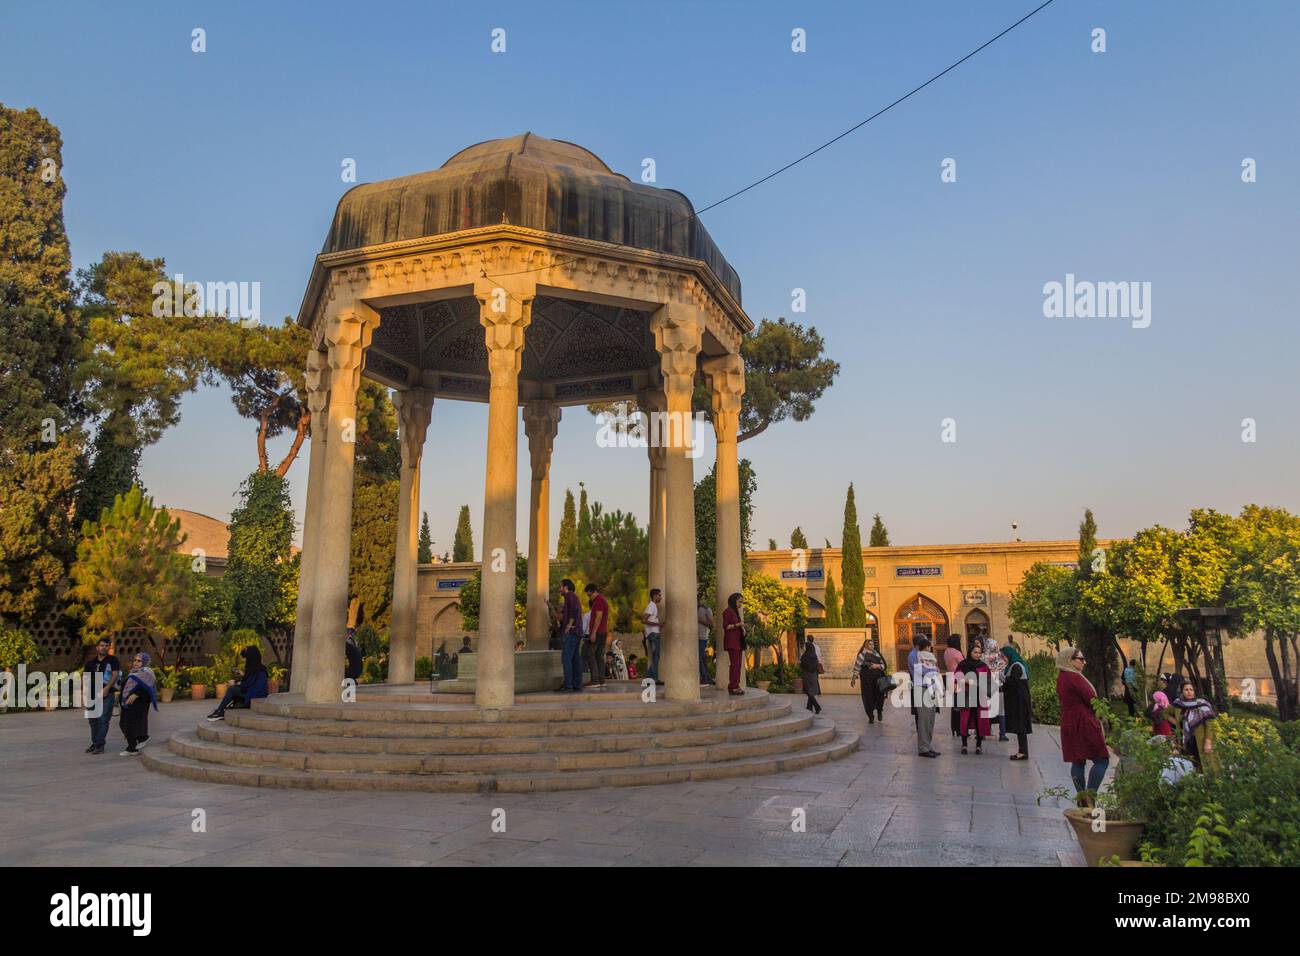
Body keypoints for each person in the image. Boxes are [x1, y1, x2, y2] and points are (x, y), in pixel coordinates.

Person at [1056, 646, 1109, 796]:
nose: (1084, 662)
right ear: (1069, 660)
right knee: (1102, 760)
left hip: (1070, 723)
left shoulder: (1062, 677)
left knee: (1078, 761)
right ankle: (1090, 797)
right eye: (1080, 659)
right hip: (1084, 723)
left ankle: (1082, 798)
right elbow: (1092, 699)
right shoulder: (1074, 677)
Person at [206, 645, 269, 721]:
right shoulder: (256, 668)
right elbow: (249, 681)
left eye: (246, 658)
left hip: (254, 695)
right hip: (252, 692)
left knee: (232, 689)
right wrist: (242, 677)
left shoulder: (258, 670)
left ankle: (220, 711)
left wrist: (236, 684)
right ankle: (221, 710)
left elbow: (252, 685)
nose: (245, 660)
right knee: (234, 689)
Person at [1170, 678, 1218, 772]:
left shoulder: (1202, 705)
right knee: (1189, 764)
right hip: (1185, 740)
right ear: (1182, 691)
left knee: (1205, 765)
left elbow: (1209, 725)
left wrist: (1208, 741)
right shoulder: (1178, 704)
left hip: (1200, 739)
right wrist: (1173, 720)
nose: (1189, 692)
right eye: (1186, 690)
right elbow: (1164, 712)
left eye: (1191, 690)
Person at [118, 652, 158, 756]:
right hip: (128, 703)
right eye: (135, 660)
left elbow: (148, 689)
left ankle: (140, 740)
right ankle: (133, 746)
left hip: (139, 704)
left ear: (144, 662)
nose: (135, 662)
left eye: (139, 661)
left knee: (134, 724)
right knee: (124, 724)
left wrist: (136, 694)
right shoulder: (133, 672)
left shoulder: (147, 673)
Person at [84, 638, 119, 755]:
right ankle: (95, 743)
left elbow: (115, 675)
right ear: (97, 647)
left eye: (106, 646)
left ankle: (100, 745)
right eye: (102, 645)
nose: (104, 647)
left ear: (108, 648)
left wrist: (107, 688)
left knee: (103, 720)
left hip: (106, 694)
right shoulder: (90, 663)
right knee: (93, 721)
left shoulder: (112, 660)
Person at [956, 642, 992, 754]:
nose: (977, 655)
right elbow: (956, 675)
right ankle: (964, 744)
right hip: (966, 694)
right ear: (970, 652)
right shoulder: (963, 664)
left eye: (979, 653)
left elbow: (988, 679)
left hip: (979, 695)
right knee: (964, 719)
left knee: (979, 720)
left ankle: (979, 745)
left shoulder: (983, 665)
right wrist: (966, 680)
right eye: (975, 652)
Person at [1000, 644, 1033, 760]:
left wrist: (1003, 679)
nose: (1003, 658)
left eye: (1004, 656)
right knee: (1020, 725)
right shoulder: (1013, 665)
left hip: (1020, 700)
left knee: (1021, 726)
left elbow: (1015, 682)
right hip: (1018, 699)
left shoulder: (1016, 666)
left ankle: (1023, 751)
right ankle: (1022, 750)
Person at [911, 636, 941, 758]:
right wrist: (933, 671)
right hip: (922, 688)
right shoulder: (914, 656)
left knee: (930, 719)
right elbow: (921, 671)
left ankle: (928, 745)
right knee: (923, 719)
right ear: (919, 645)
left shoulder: (926, 656)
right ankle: (923, 748)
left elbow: (935, 668)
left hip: (930, 688)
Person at [849, 638, 886, 724]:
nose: (872, 646)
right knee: (868, 698)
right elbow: (857, 667)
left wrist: (877, 666)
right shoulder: (862, 655)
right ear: (865, 645)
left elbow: (883, 665)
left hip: (877, 679)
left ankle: (879, 712)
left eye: (873, 644)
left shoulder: (877, 654)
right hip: (867, 681)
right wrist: (854, 678)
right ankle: (870, 716)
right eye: (870, 644)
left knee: (880, 697)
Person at [558, 578, 584, 692]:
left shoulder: (570, 596)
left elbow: (574, 610)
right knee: (574, 658)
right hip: (576, 631)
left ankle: (568, 685)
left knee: (566, 658)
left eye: (561, 587)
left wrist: (569, 625)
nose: (559, 589)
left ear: (566, 587)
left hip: (572, 632)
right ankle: (576, 684)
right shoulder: (570, 598)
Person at [583, 583, 610, 688]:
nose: (588, 596)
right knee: (599, 656)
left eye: (588, 594)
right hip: (602, 632)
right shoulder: (602, 600)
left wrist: (593, 632)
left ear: (591, 591)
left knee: (590, 654)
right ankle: (601, 680)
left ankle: (594, 680)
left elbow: (598, 617)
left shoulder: (598, 601)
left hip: (598, 632)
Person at [984, 634, 1009, 741]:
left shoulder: (983, 658)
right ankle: (1002, 734)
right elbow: (1004, 676)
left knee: (987, 711)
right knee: (1001, 712)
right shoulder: (1001, 659)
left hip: (986, 688)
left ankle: (985, 732)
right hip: (999, 688)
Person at [722, 592, 745, 696]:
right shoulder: (727, 612)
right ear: (733, 601)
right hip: (732, 641)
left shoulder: (735, 612)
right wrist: (738, 625)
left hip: (738, 641)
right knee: (735, 665)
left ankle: (736, 685)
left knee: (738, 665)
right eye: (739, 602)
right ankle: (733, 686)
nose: (740, 604)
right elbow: (726, 626)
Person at [943, 635, 964, 738]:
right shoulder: (957, 653)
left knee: (954, 706)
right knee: (960, 706)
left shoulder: (947, 651)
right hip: (958, 680)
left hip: (950, 679)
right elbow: (963, 665)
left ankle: (954, 728)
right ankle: (960, 729)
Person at [642, 588, 663, 685]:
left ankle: (650, 678)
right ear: (654, 596)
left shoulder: (653, 606)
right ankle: (652, 679)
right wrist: (657, 625)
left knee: (655, 657)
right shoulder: (652, 605)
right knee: (655, 657)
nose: (660, 597)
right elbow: (644, 620)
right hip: (653, 634)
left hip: (653, 634)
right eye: (659, 595)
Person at [800, 635, 823, 715]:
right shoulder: (815, 655)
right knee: (811, 691)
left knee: (808, 691)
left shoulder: (805, 656)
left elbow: (802, 664)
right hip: (814, 674)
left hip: (807, 675)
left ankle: (817, 707)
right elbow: (818, 662)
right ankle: (809, 707)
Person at [696, 595, 715, 686]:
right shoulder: (691, 609)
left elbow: (711, 624)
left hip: (702, 637)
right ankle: (708, 678)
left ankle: (704, 678)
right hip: (691, 637)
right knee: (702, 658)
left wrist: (699, 620)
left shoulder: (706, 609)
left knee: (698, 657)